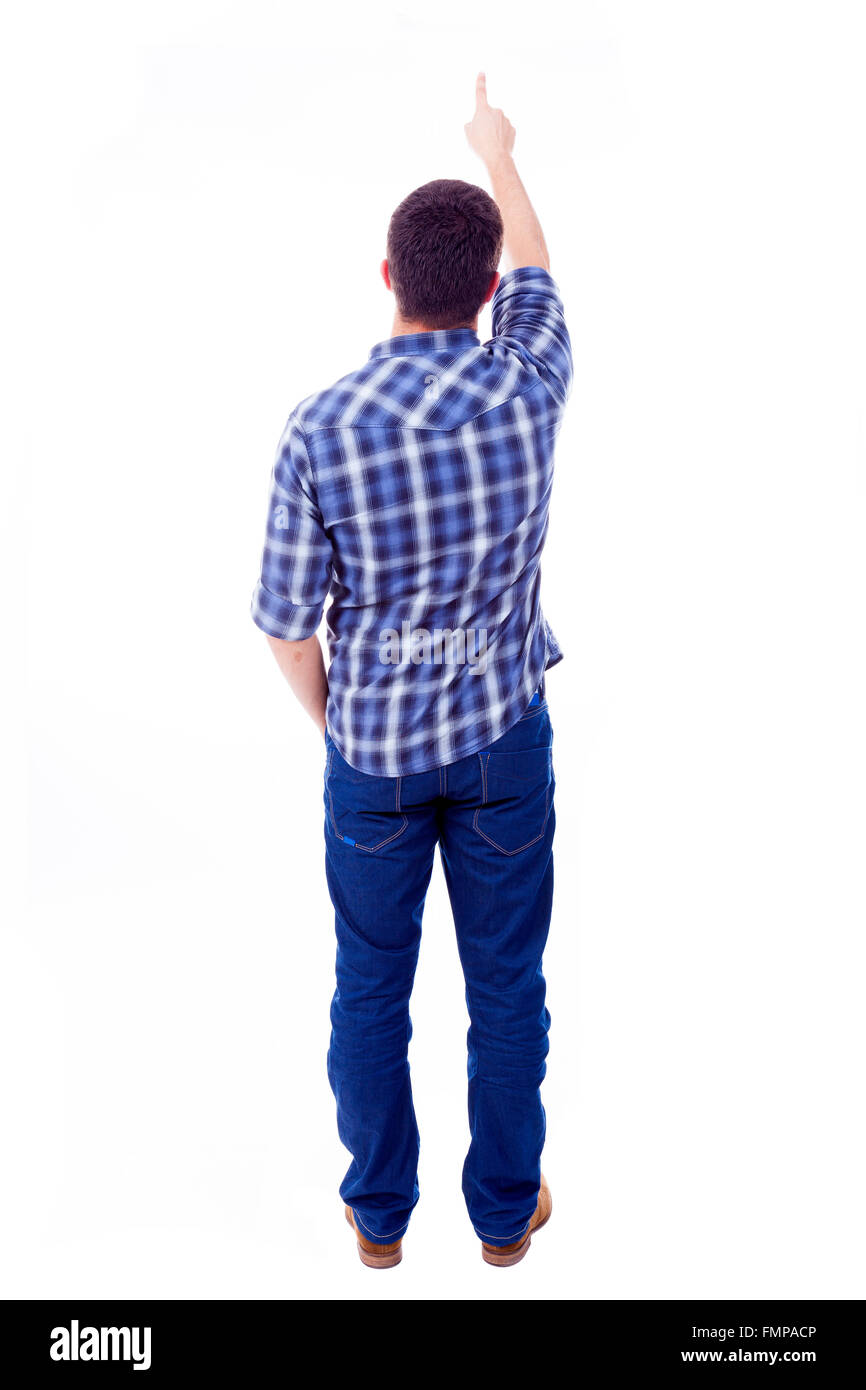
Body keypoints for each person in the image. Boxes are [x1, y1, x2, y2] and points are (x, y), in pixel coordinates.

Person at [251, 73, 572, 1268]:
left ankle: (376, 1221)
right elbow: (538, 266)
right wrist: (496, 152)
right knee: (506, 994)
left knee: (367, 995)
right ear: (487, 297)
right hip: (501, 743)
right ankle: (503, 1217)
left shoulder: (318, 426)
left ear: (386, 279)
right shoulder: (526, 384)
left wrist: (341, 723)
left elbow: (287, 627)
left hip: (370, 759)